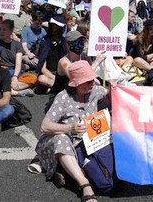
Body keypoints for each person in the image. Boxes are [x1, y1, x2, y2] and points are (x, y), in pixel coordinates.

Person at [35, 60, 109, 202]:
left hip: (86, 143)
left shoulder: (94, 90)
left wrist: (117, 89)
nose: (93, 83)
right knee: (61, 138)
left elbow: (110, 95)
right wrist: (69, 128)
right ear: (76, 84)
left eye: (93, 79)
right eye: (88, 81)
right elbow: (44, 126)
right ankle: (84, 185)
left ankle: (67, 172)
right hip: (61, 142)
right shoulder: (63, 97)